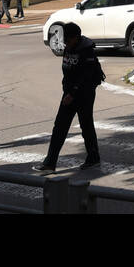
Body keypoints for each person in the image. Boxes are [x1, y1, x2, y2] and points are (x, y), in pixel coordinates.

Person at [32, 21, 104, 173]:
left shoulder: (87, 52)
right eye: (65, 40)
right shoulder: (69, 48)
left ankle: (93, 157)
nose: (66, 43)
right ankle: (50, 163)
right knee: (59, 127)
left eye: (68, 40)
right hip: (69, 93)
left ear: (76, 37)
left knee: (86, 125)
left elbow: (85, 78)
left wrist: (73, 93)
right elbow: (67, 71)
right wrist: (67, 90)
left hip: (84, 94)